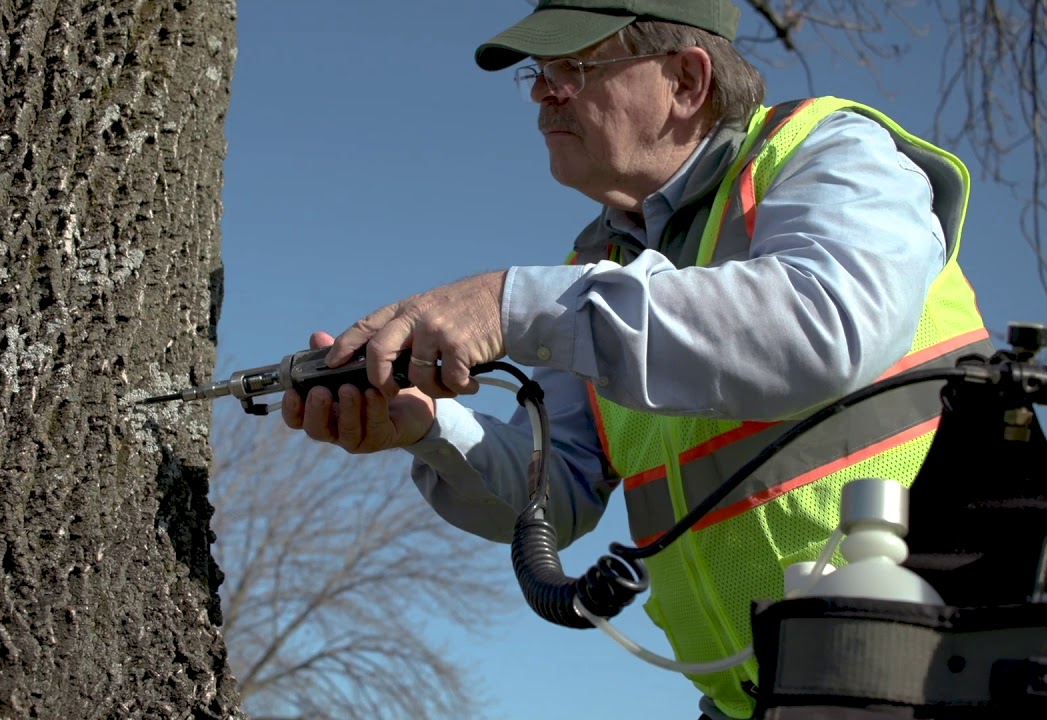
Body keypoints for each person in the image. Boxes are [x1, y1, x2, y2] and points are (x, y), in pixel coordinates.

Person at [281, 1, 992, 718]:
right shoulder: (597, 269)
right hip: (761, 699)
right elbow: (552, 497)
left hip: (934, 667)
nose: (541, 92)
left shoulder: (830, 153)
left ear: (686, 80)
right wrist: (431, 429)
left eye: (574, 67)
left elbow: (824, 325)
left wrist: (510, 305)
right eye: (538, 71)